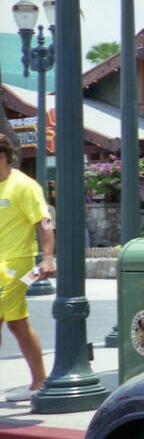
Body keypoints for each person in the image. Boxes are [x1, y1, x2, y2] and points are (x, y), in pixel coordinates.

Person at [0, 134, 55, 402]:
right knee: (17, 324)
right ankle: (39, 382)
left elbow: (43, 222)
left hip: (17, 265)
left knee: (12, 321)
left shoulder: (24, 185)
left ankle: (39, 382)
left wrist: (47, 258)